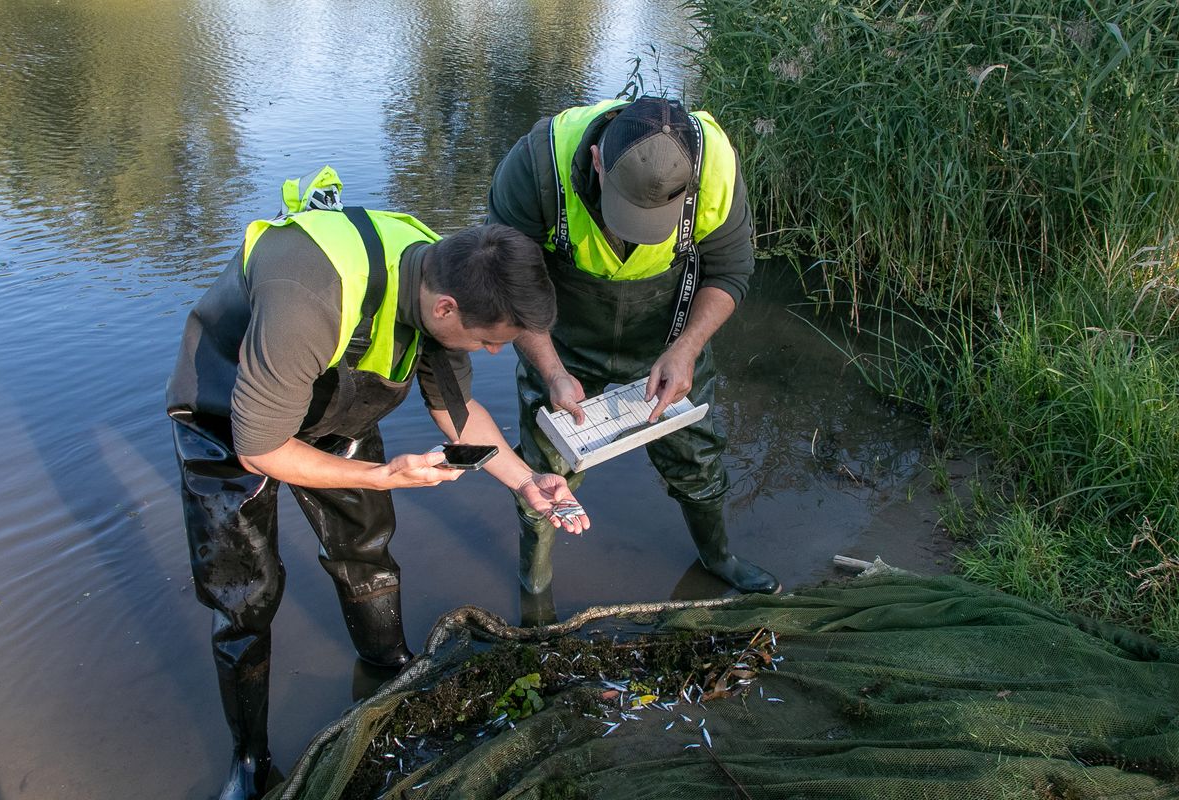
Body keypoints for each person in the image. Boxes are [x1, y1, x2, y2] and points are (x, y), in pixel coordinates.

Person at [166, 167, 589, 800]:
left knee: (365, 551)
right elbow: (259, 448)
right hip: (231, 422)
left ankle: (388, 667)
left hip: (336, 411)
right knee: (245, 599)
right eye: (489, 342)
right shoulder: (309, 297)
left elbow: (456, 413)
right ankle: (249, 757)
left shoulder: (448, 276)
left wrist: (528, 482)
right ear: (446, 309)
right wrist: (380, 475)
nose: (496, 354)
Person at [487, 95, 778, 605]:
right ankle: (535, 584)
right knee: (544, 471)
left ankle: (717, 558)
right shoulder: (536, 165)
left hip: (667, 340)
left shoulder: (714, 167)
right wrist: (551, 370)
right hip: (561, 341)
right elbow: (507, 286)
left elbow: (730, 271)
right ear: (597, 159)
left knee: (697, 457)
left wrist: (687, 349)